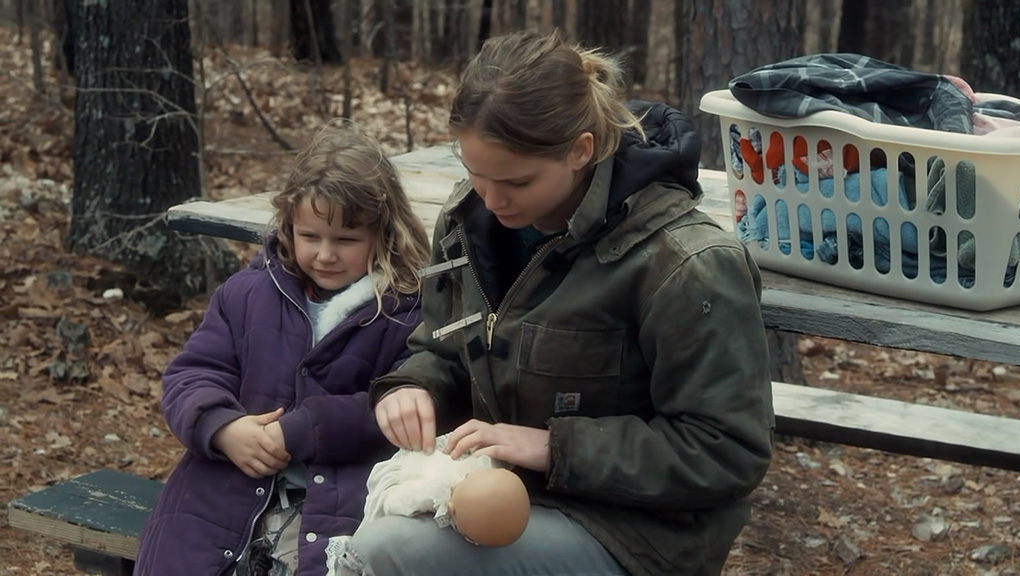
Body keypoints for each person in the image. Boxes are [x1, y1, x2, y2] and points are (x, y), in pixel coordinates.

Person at [346, 29, 775, 576]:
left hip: (634, 533)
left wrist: (554, 448)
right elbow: (443, 347)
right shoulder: (466, 224)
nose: (491, 198)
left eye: (516, 182)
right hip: (494, 484)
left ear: (580, 151)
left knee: (389, 551)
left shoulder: (686, 263)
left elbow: (725, 451)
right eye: (476, 174)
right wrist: (413, 387)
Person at [134, 122, 431, 576]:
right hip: (221, 490)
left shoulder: (405, 312)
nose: (325, 255)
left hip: (336, 501)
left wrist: (302, 431)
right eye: (310, 237)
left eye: (346, 240)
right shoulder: (247, 294)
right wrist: (221, 428)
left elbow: (395, 405)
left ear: (383, 234)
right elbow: (192, 374)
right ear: (288, 225)